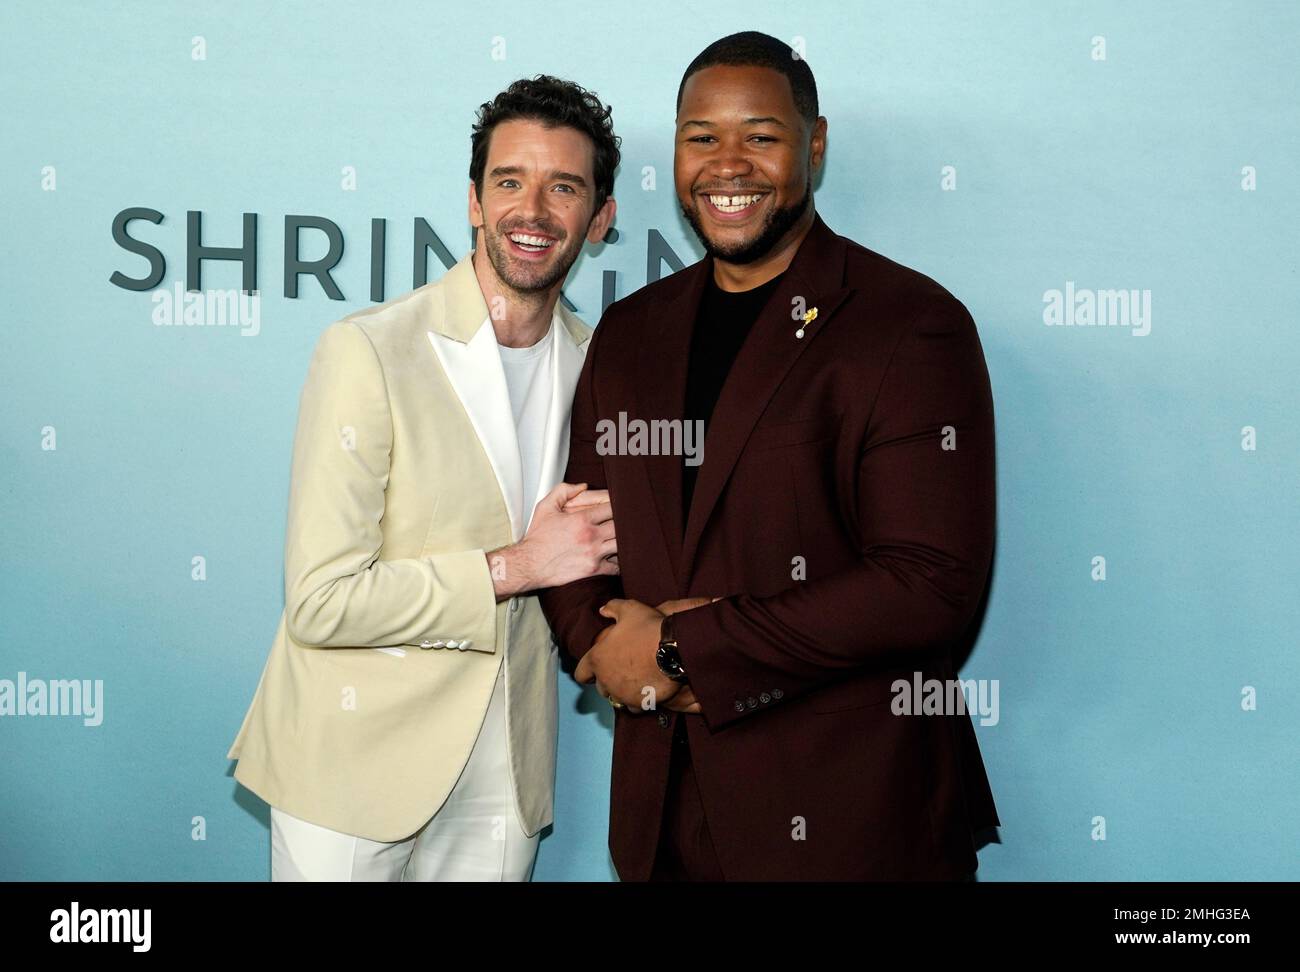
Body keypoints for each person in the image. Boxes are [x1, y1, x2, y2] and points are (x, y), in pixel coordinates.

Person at [539, 32, 1000, 880]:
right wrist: (598, 648)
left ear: (813, 146)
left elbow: (929, 583)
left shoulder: (909, 324)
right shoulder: (633, 334)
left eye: (761, 135)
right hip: (662, 819)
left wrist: (683, 651)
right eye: (701, 137)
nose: (728, 164)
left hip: (851, 820)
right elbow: (578, 529)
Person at [227, 75, 621, 881]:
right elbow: (321, 599)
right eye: (509, 181)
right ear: (474, 202)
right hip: (351, 764)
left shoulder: (605, 369)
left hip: (505, 776)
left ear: (601, 217)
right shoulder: (368, 350)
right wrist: (519, 567)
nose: (533, 210)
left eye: (564, 187)